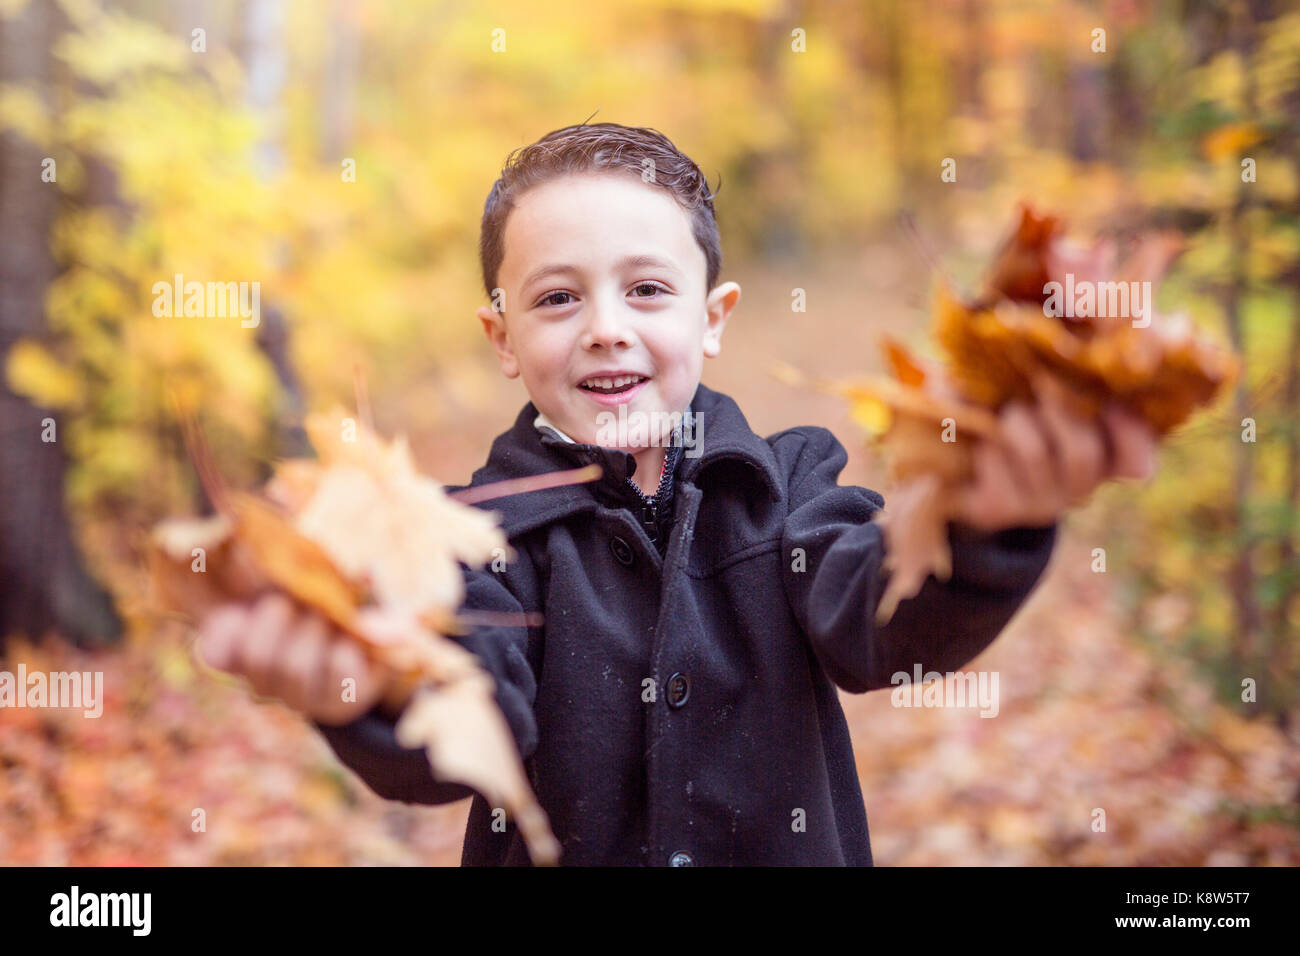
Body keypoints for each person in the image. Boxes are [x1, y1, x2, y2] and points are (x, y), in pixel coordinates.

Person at [197, 122, 1156, 865]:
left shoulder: (788, 487)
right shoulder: (474, 538)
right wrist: (363, 685)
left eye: (647, 290)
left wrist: (986, 524)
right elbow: (464, 722)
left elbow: (884, 617)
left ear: (713, 318)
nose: (607, 328)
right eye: (557, 298)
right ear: (501, 338)